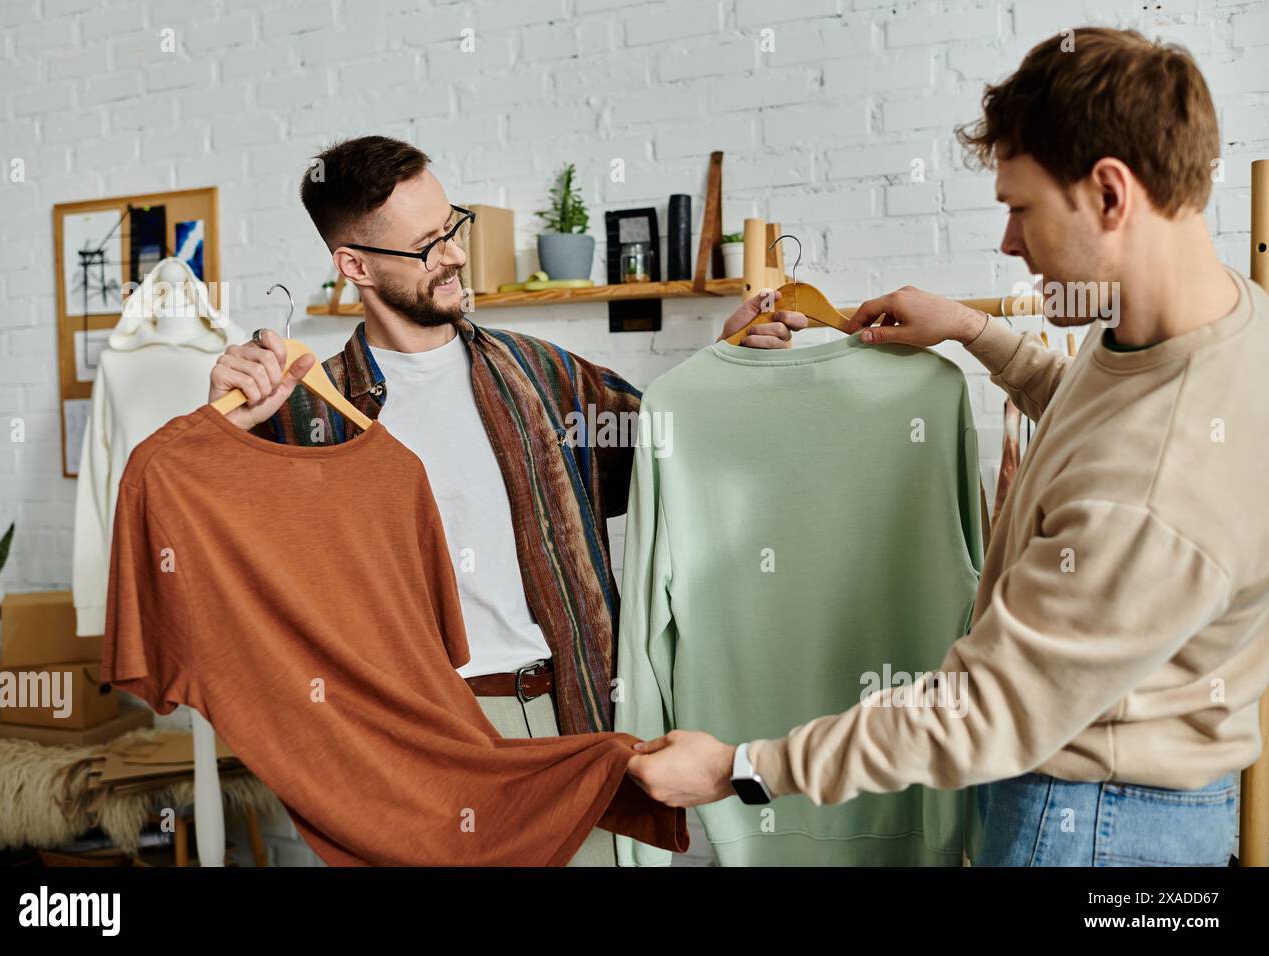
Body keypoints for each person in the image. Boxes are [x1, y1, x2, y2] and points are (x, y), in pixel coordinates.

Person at [626, 27, 1269, 867]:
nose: (1007, 243)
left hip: (1094, 829)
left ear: (1110, 194)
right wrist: (972, 332)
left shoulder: (1160, 475)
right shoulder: (1217, 324)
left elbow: (983, 707)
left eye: (1019, 208)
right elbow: (1089, 417)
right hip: (1129, 805)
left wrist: (743, 767)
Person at [206, 134, 804, 866]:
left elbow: (668, 455)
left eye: (453, 227)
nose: (456, 255)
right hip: (422, 748)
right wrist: (225, 428)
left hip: (567, 721)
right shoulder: (308, 417)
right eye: (428, 245)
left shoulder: (540, 377)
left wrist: (723, 360)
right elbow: (227, 575)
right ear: (354, 266)